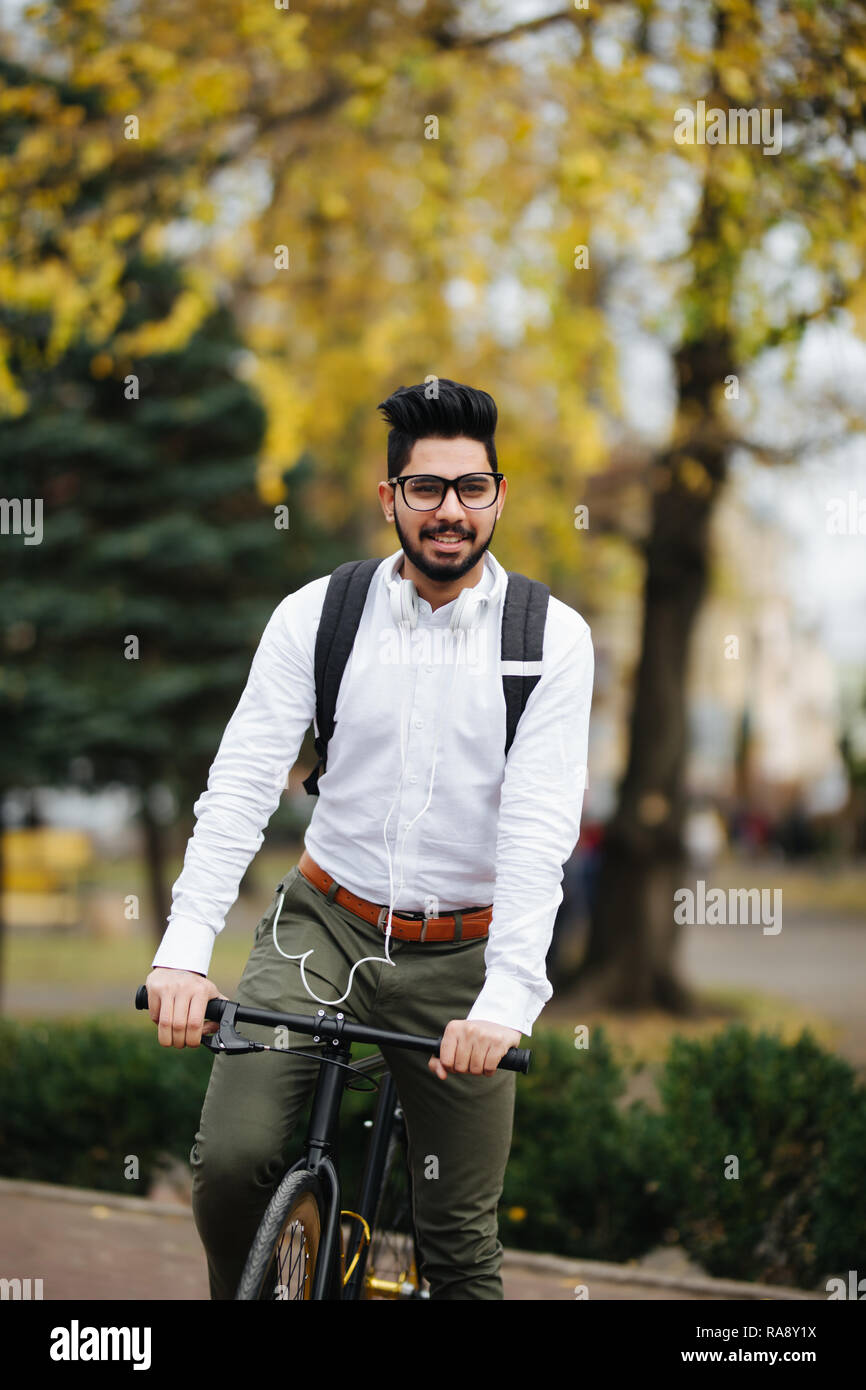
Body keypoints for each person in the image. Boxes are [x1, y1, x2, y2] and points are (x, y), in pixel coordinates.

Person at [145, 378, 594, 1300]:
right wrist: (185, 954)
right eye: (425, 489)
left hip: (462, 954)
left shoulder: (552, 640)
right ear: (390, 499)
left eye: (472, 489)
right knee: (231, 1168)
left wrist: (507, 998)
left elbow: (539, 830)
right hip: (326, 924)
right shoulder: (318, 616)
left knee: (461, 1254)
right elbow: (236, 788)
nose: (450, 512)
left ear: (499, 496)